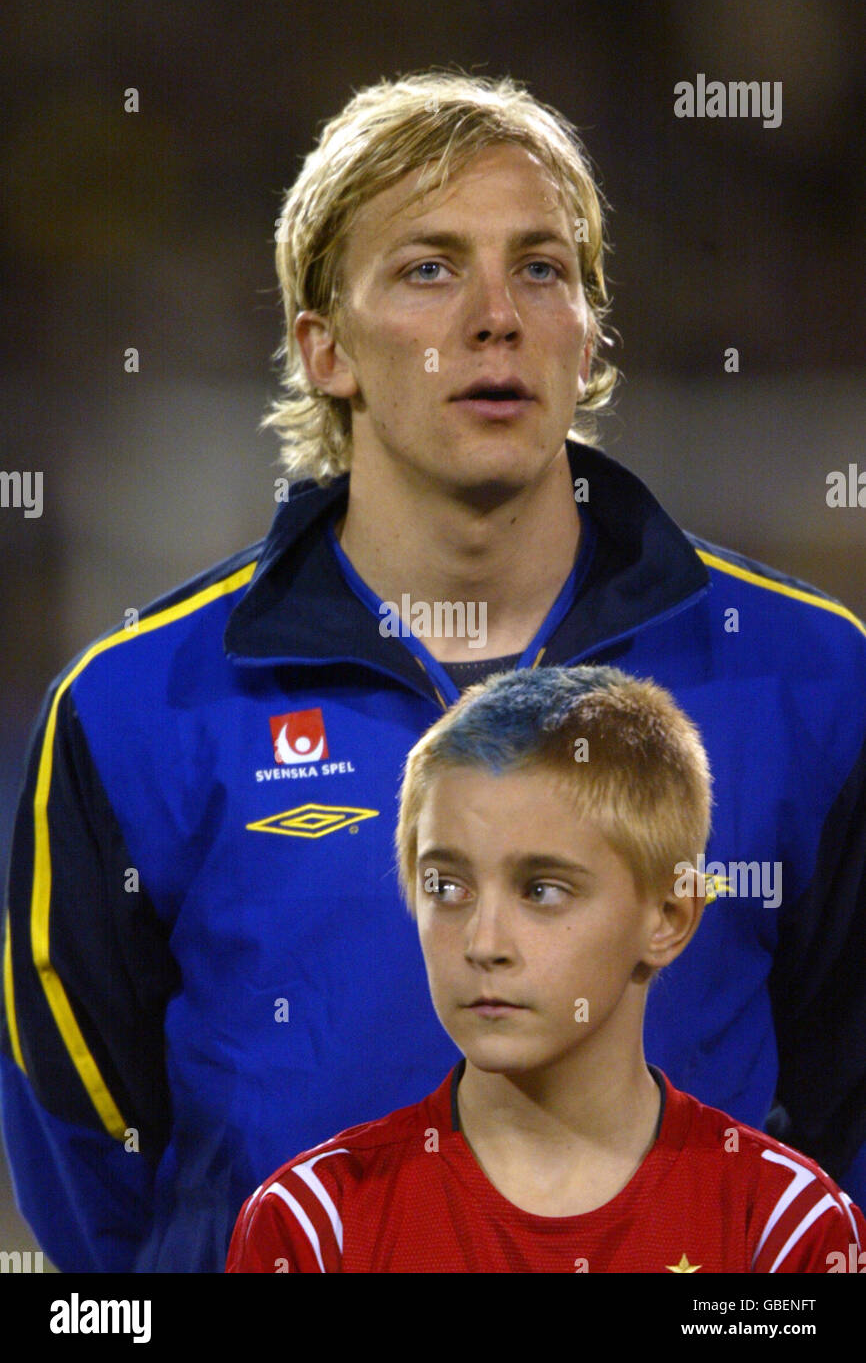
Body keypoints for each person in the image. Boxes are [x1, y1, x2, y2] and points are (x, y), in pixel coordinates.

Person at [2, 71, 865, 1274]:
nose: (494, 315)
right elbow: (83, 1152)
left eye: (541, 268)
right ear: (324, 348)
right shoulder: (132, 708)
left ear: (588, 332)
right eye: (427, 268)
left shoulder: (812, 681)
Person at [226, 666, 866, 1273]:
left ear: (669, 917)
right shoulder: (315, 1227)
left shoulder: (783, 1231)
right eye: (447, 886)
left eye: (542, 890)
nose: (484, 942)